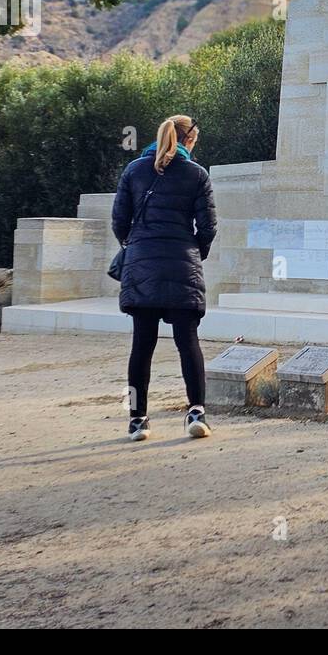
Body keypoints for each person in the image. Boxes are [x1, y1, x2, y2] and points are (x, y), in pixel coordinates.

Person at [111, 114, 217, 441]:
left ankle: (137, 420)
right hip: (182, 262)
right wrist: (193, 251)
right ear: (190, 140)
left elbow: (118, 222)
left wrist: (138, 245)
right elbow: (208, 226)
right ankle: (196, 411)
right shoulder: (196, 174)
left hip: (142, 264)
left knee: (141, 346)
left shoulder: (133, 171)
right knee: (188, 343)